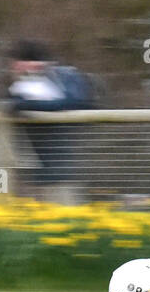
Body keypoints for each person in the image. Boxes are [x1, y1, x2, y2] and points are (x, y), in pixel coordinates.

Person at [5, 39, 94, 203]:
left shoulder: (65, 76)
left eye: (17, 64)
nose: (14, 69)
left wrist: (25, 104)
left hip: (62, 172)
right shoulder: (20, 85)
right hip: (33, 174)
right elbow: (11, 105)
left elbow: (75, 102)